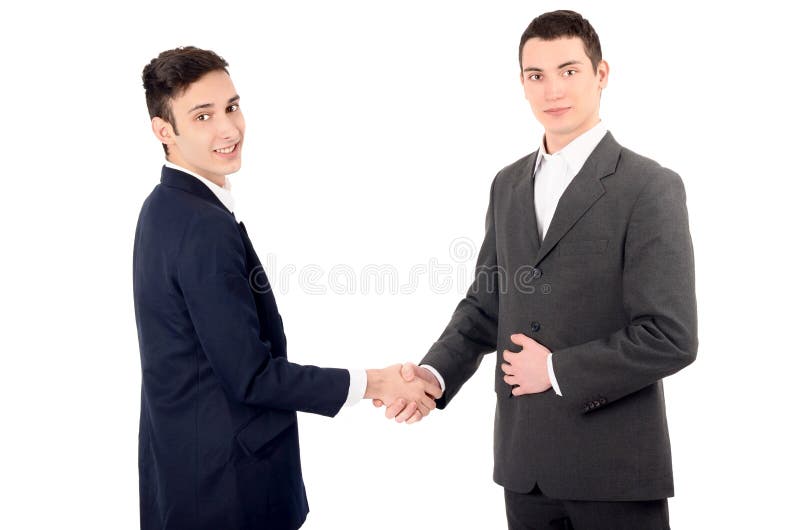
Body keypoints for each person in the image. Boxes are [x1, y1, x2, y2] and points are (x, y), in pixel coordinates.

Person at [377, 10, 697, 529]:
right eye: (536, 75)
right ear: (522, 84)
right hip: (525, 469)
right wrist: (434, 375)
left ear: (602, 74)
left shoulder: (649, 187)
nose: (553, 90)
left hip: (613, 473)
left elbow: (670, 336)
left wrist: (553, 371)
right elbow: (486, 306)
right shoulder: (507, 185)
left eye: (569, 71)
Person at [133, 46, 440, 530]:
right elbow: (249, 377)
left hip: (185, 476)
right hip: (228, 490)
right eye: (203, 115)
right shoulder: (202, 227)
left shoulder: (163, 207)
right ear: (163, 130)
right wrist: (375, 382)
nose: (228, 129)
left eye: (232, 107)